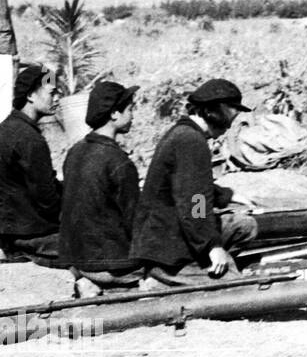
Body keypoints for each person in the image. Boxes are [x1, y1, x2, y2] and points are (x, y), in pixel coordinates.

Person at [130, 78, 258, 281]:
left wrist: (228, 195)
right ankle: (167, 279)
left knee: (245, 226)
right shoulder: (191, 141)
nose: (231, 122)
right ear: (211, 111)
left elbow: (193, 184)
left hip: (167, 232)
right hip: (168, 248)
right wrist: (212, 245)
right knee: (239, 290)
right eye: (230, 112)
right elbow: (195, 201)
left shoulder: (183, 134)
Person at [59, 80, 143, 297]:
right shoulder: (118, 161)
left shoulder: (74, 152)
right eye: (130, 109)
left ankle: (85, 282)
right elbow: (135, 221)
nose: (133, 115)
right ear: (115, 114)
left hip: (79, 263)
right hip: (113, 266)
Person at [0, 64, 62, 261]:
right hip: (32, 235)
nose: (58, 98)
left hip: (10, 231)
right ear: (30, 96)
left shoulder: (7, 128)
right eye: (52, 92)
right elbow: (47, 200)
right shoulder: (29, 138)